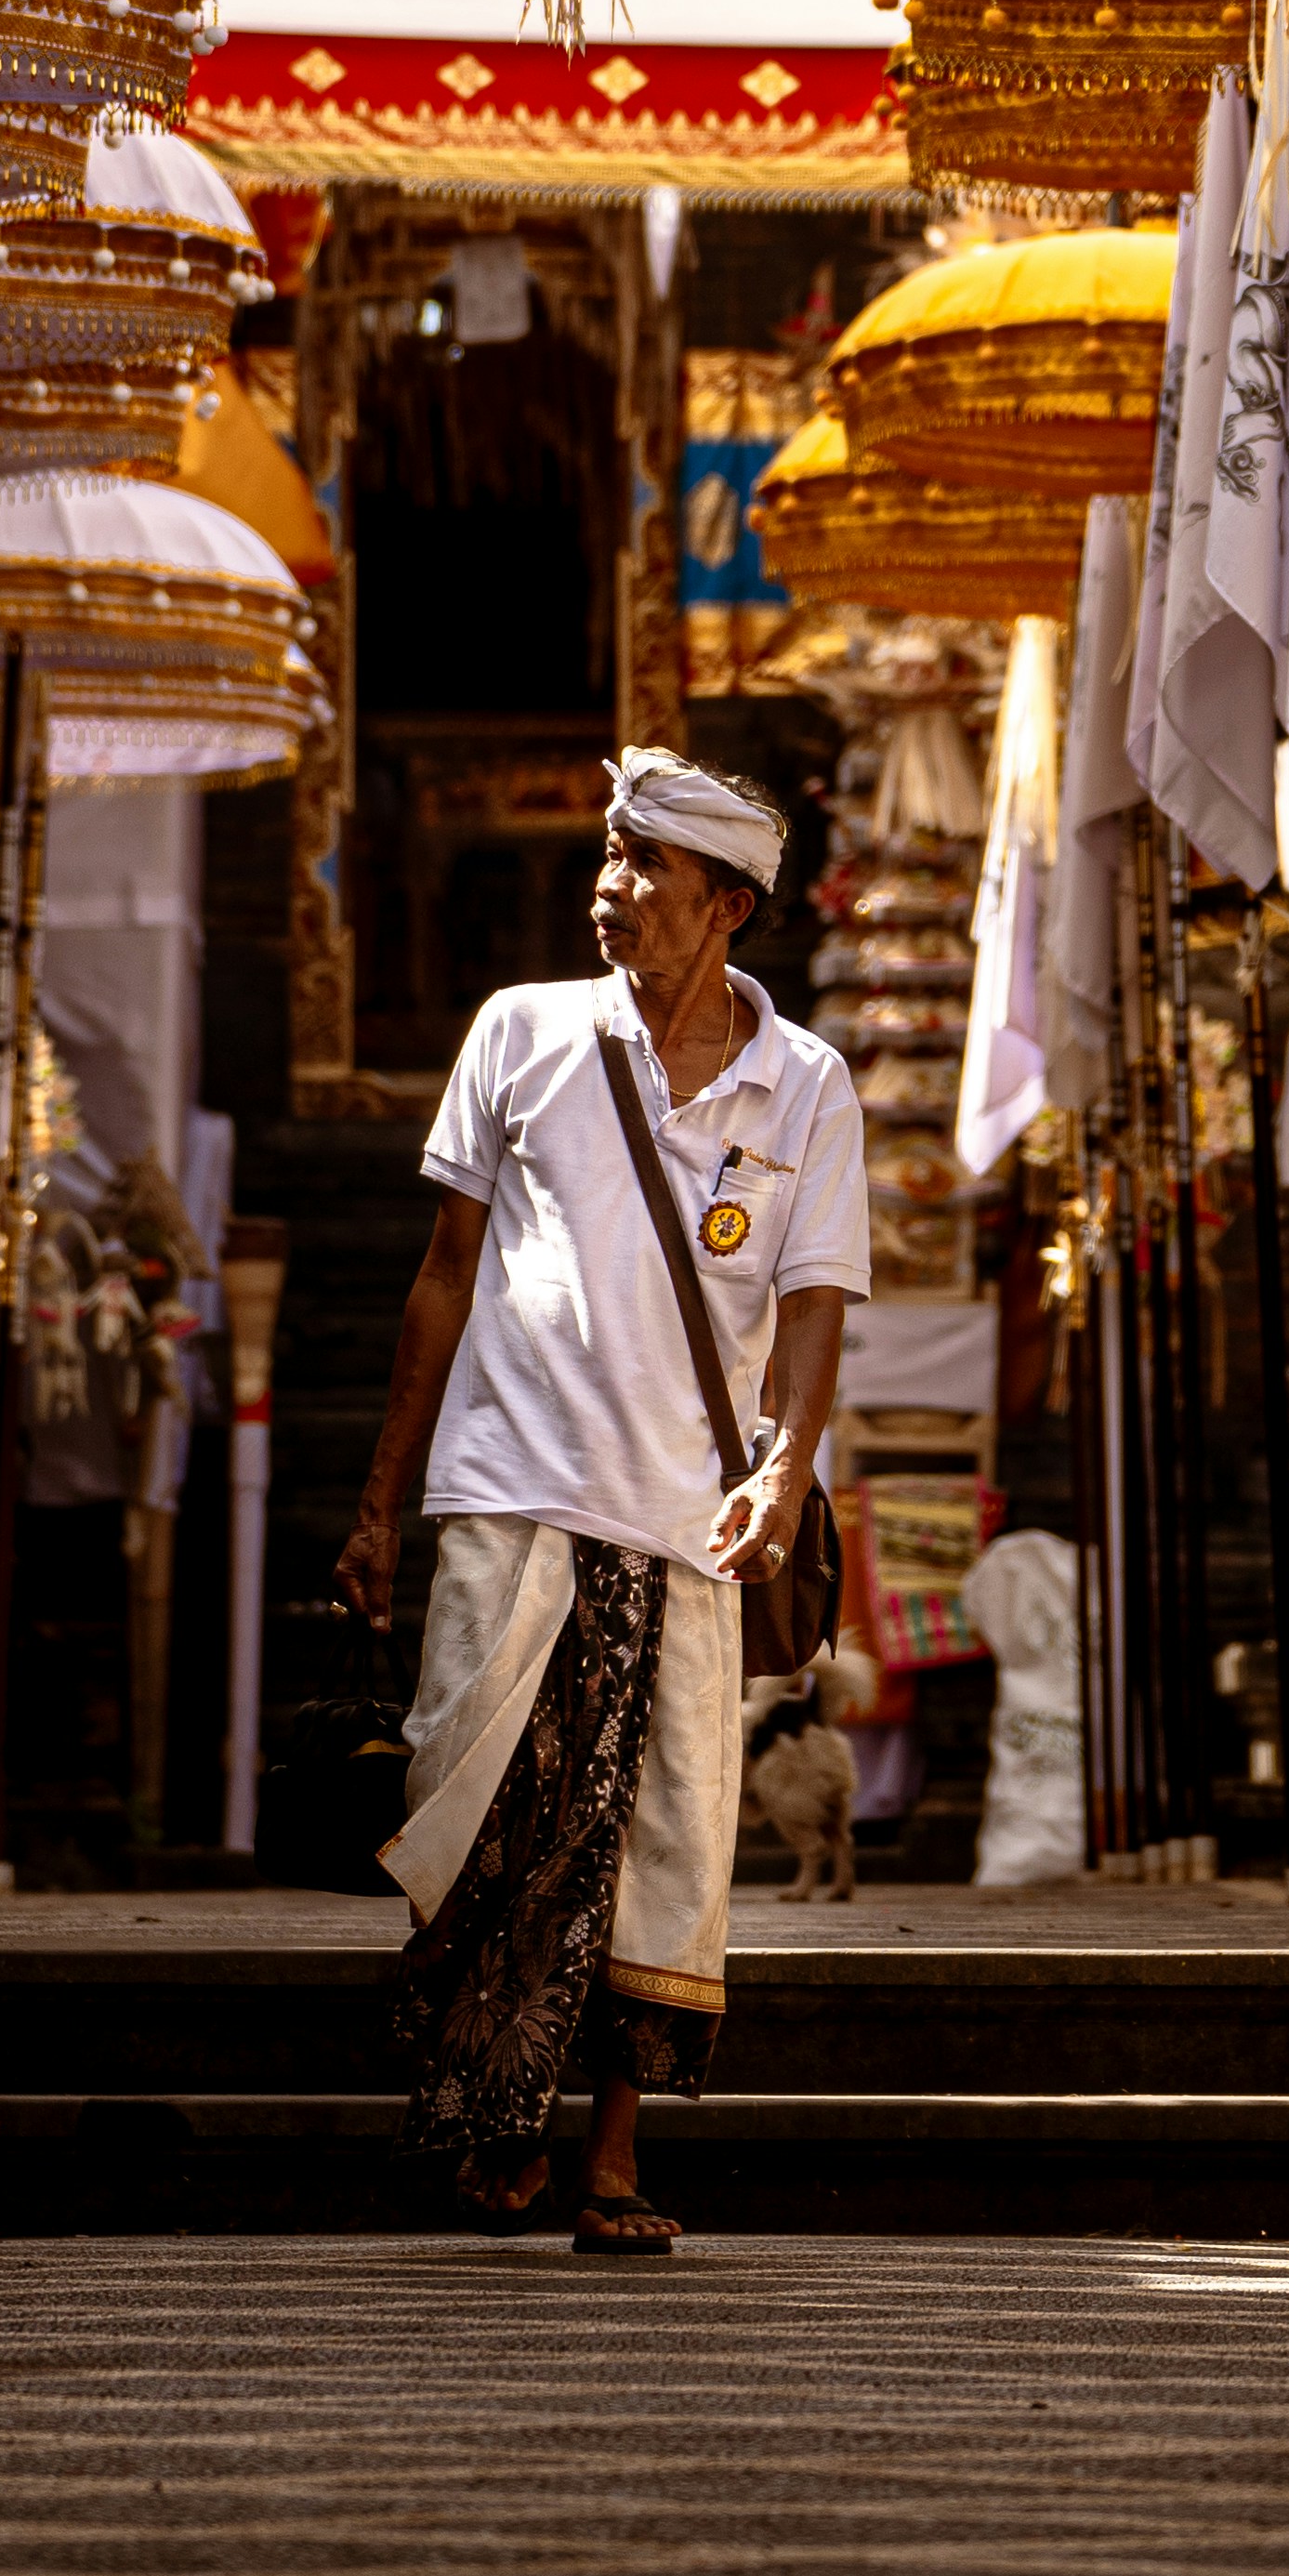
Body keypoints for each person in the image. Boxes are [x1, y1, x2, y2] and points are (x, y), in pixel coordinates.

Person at [336, 746, 861, 2256]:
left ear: (728, 906)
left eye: (646, 867)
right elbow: (445, 1271)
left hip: (684, 1523)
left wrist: (785, 1462)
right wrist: (381, 1499)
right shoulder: (520, 1033)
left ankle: (611, 2156)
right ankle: (495, 2118)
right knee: (483, 1806)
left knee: (661, 1840)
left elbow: (816, 1297)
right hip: (508, 1489)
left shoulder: (804, 1083)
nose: (610, 887)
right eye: (609, 858)